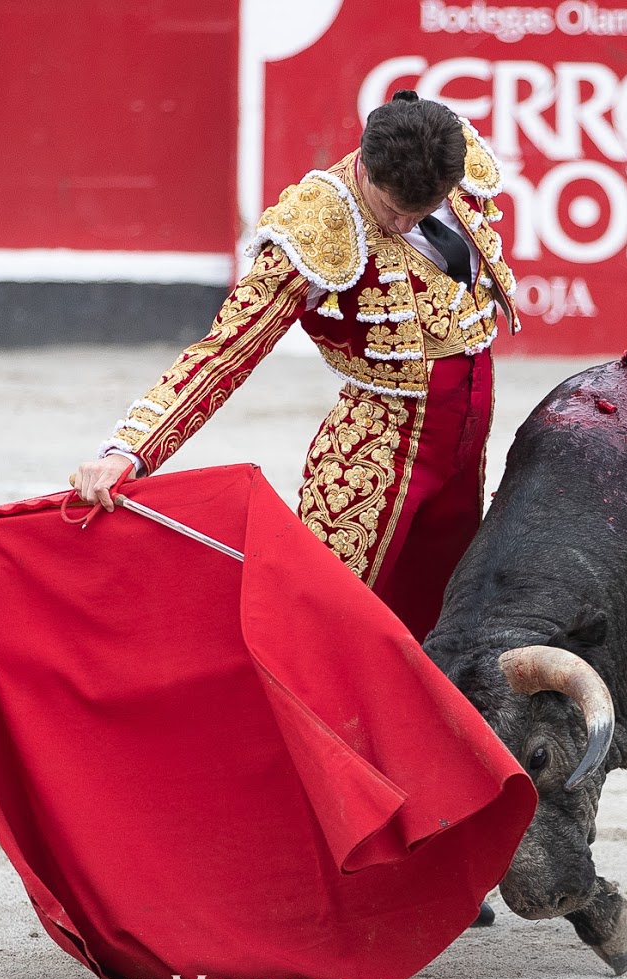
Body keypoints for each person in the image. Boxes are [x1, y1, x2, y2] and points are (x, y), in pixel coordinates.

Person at [72, 90, 520, 644]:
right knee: (313, 626)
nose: (404, 221)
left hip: (470, 440)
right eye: (390, 208)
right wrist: (130, 451)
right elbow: (226, 350)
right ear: (366, 162)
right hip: (378, 447)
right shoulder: (318, 225)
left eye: (420, 211)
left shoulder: (455, 158)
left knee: (446, 627)